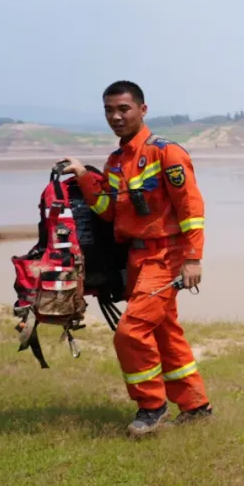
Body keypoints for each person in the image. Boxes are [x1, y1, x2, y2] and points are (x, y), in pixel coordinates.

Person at [63, 80, 213, 436]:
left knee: (130, 333)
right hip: (136, 261)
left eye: (123, 109)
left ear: (142, 110)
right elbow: (109, 212)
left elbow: (190, 208)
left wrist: (193, 258)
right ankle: (196, 406)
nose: (115, 116)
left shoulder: (167, 153)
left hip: (167, 257)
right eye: (109, 110)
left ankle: (152, 406)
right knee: (164, 333)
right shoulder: (116, 161)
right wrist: (85, 177)